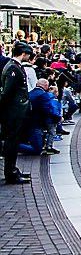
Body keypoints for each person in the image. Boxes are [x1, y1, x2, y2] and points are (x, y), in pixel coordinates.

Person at [1, 41, 33, 184]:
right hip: (13, 112)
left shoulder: (14, 66)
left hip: (15, 111)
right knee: (12, 142)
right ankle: (11, 172)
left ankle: (13, 170)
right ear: (24, 54)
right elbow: (7, 92)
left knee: (14, 142)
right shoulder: (13, 68)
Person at [19, 78, 62, 156]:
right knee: (37, 149)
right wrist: (58, 118)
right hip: (36, 124)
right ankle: (9, 146)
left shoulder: (29, 93)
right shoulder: (43, 95)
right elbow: (47, 110)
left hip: (26, 122)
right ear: (45, 86)